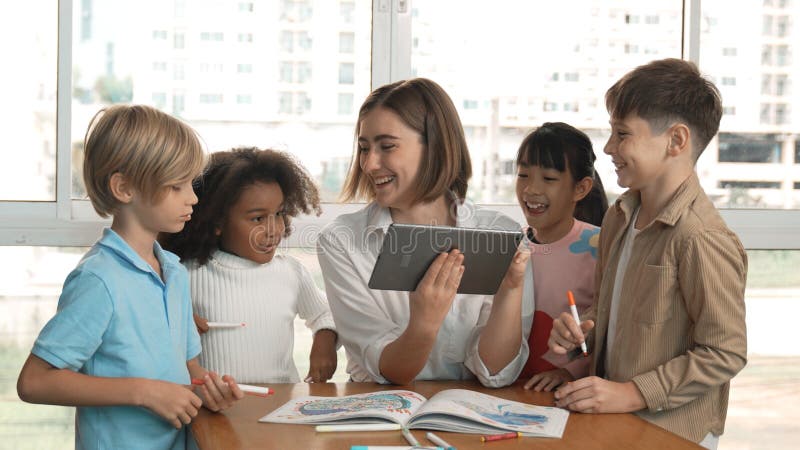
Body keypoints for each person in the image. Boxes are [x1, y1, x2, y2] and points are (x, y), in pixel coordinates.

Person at [16, 105, 243, 450]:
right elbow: (34, 382)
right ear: (124, 188)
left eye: (191, 184)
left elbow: (187, 368)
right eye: (176, 185)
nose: (193, 197)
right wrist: (144, 392)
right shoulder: (99, 280)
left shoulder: (174, 274)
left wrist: (206, 389)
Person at [548, 58, 747, 449]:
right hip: (614, 424)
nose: (608, 148)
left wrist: (633, 393)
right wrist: (580, 329)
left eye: (622, 134)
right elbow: (615, 308)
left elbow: (724, 352)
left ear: (676, 140)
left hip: (672, 434)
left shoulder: (700, 236)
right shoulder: (620, 217)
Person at [317, 78, 531, 387]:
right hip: (379, 414)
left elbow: (495, 373)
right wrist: (424, 322)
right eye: (364, 149)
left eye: (387, 146)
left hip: (469, 419)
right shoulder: (341, 241)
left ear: (435, 146)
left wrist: (509, 291)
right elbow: (391, 370)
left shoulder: (501, 234)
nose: (370, 163)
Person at [160, 147, 338, 384]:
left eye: (279, 213)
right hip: (215, 410)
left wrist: (324, 343)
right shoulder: (186, 274)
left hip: (280, 405)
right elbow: (152, 326)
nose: (274, 229)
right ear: (217, 222)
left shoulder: (290, 272)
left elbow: (326, 312)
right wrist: (178, 322)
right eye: (257, 218)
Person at [514, 122, 607, 392]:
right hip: (510, 390)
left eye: (549, 179)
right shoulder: (510, 245)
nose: (531, 189)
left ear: (581, 188)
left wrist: (569, 372)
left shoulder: (599, 246)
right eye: (523, 175)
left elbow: (609, 327)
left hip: (566, 394)